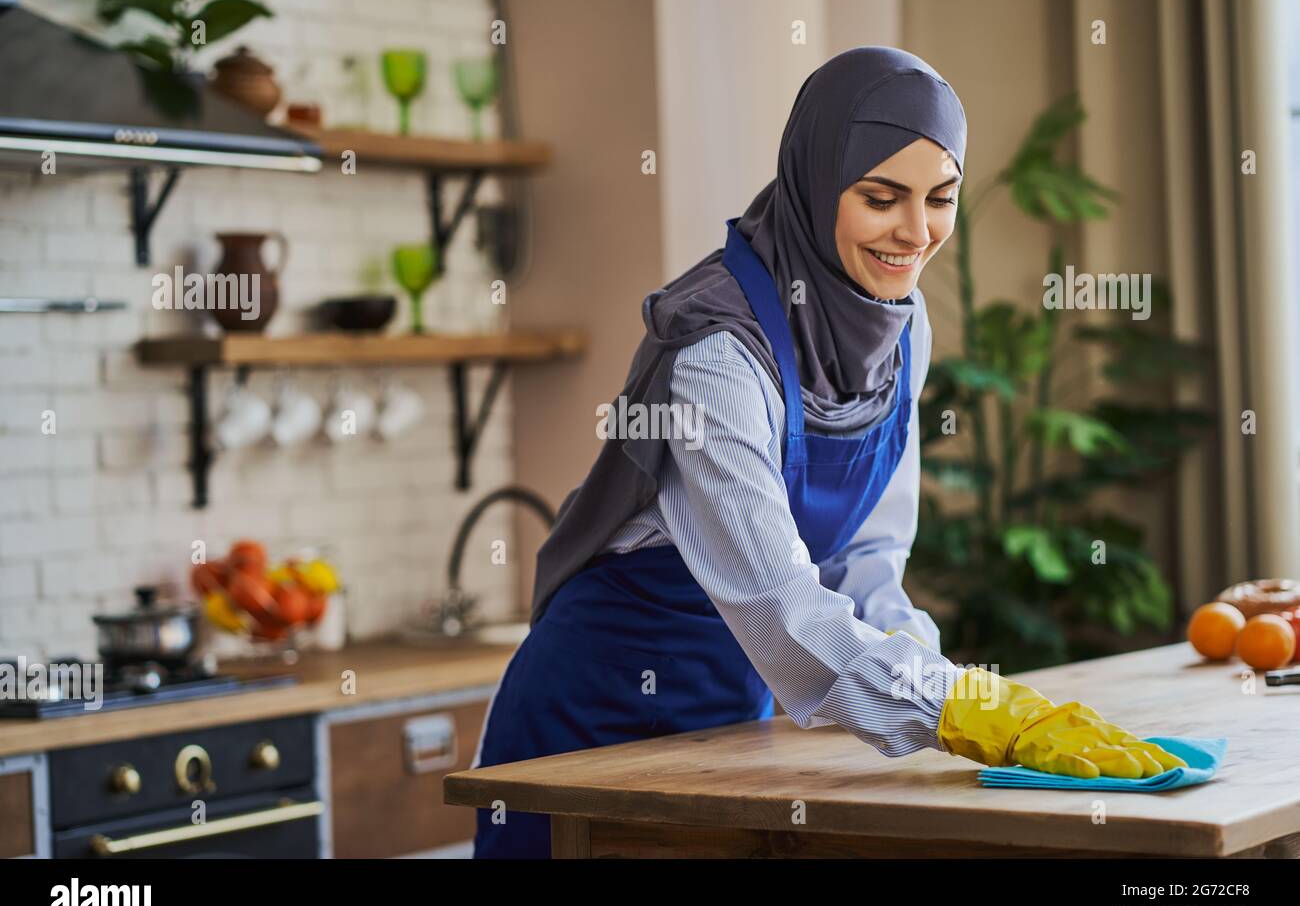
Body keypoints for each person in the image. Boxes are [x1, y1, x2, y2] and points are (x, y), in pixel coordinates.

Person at [471, 47, 1184, 860]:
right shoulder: (715, 356)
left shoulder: (901, 326)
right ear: (816, 185)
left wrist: (957, 691)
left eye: (941, 199)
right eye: (881, 198)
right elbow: (783, 612)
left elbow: (868, 564)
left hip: (729, 731)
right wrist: (965, 711)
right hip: (583, 733)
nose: (915, 234)